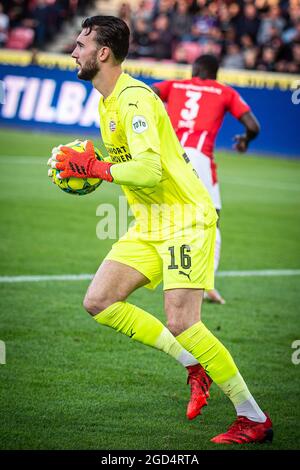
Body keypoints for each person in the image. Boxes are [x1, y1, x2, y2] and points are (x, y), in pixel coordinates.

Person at [47, 16, 272, 444]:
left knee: (183, 320)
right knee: (99, 301)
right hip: (151, 222)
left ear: (103, 53)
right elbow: (134, 171)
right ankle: (194, 364)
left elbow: (149, 171)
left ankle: (252, 417)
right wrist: (98, 172)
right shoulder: (106, 100)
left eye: (81, 45)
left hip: (185, 217)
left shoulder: (134, 100)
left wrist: (97, 168)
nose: (74, 51)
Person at [152, 55, 260, 305]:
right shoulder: (225, 92)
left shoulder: (174, 85)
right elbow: (253, 126)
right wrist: (245, 140)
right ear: (215, 73)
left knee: (171, 215)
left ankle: (167, 274)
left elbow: (146, 95)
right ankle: (203, 282)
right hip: (198, 157)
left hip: (170, 155)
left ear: (195, 69)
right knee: (212, 220)